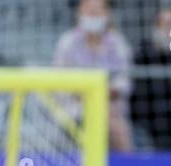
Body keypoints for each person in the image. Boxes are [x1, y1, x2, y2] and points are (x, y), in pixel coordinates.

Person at [52, 0, 133, 151]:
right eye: (89, 10)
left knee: (111, 121)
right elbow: (60, 84)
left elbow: (123, 85)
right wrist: (89, 93)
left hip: (110, 112)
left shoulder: (118, 43)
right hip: (74, 111)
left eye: (98, 11)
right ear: (79, 12)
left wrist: (93, 93)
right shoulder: (67, 42)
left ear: (108, 14)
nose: (93, 14)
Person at [131, 6, 171, 151]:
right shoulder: (143, 53)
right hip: (149, 123)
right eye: (166, 25)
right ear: (156, 27)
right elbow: (140, 98)